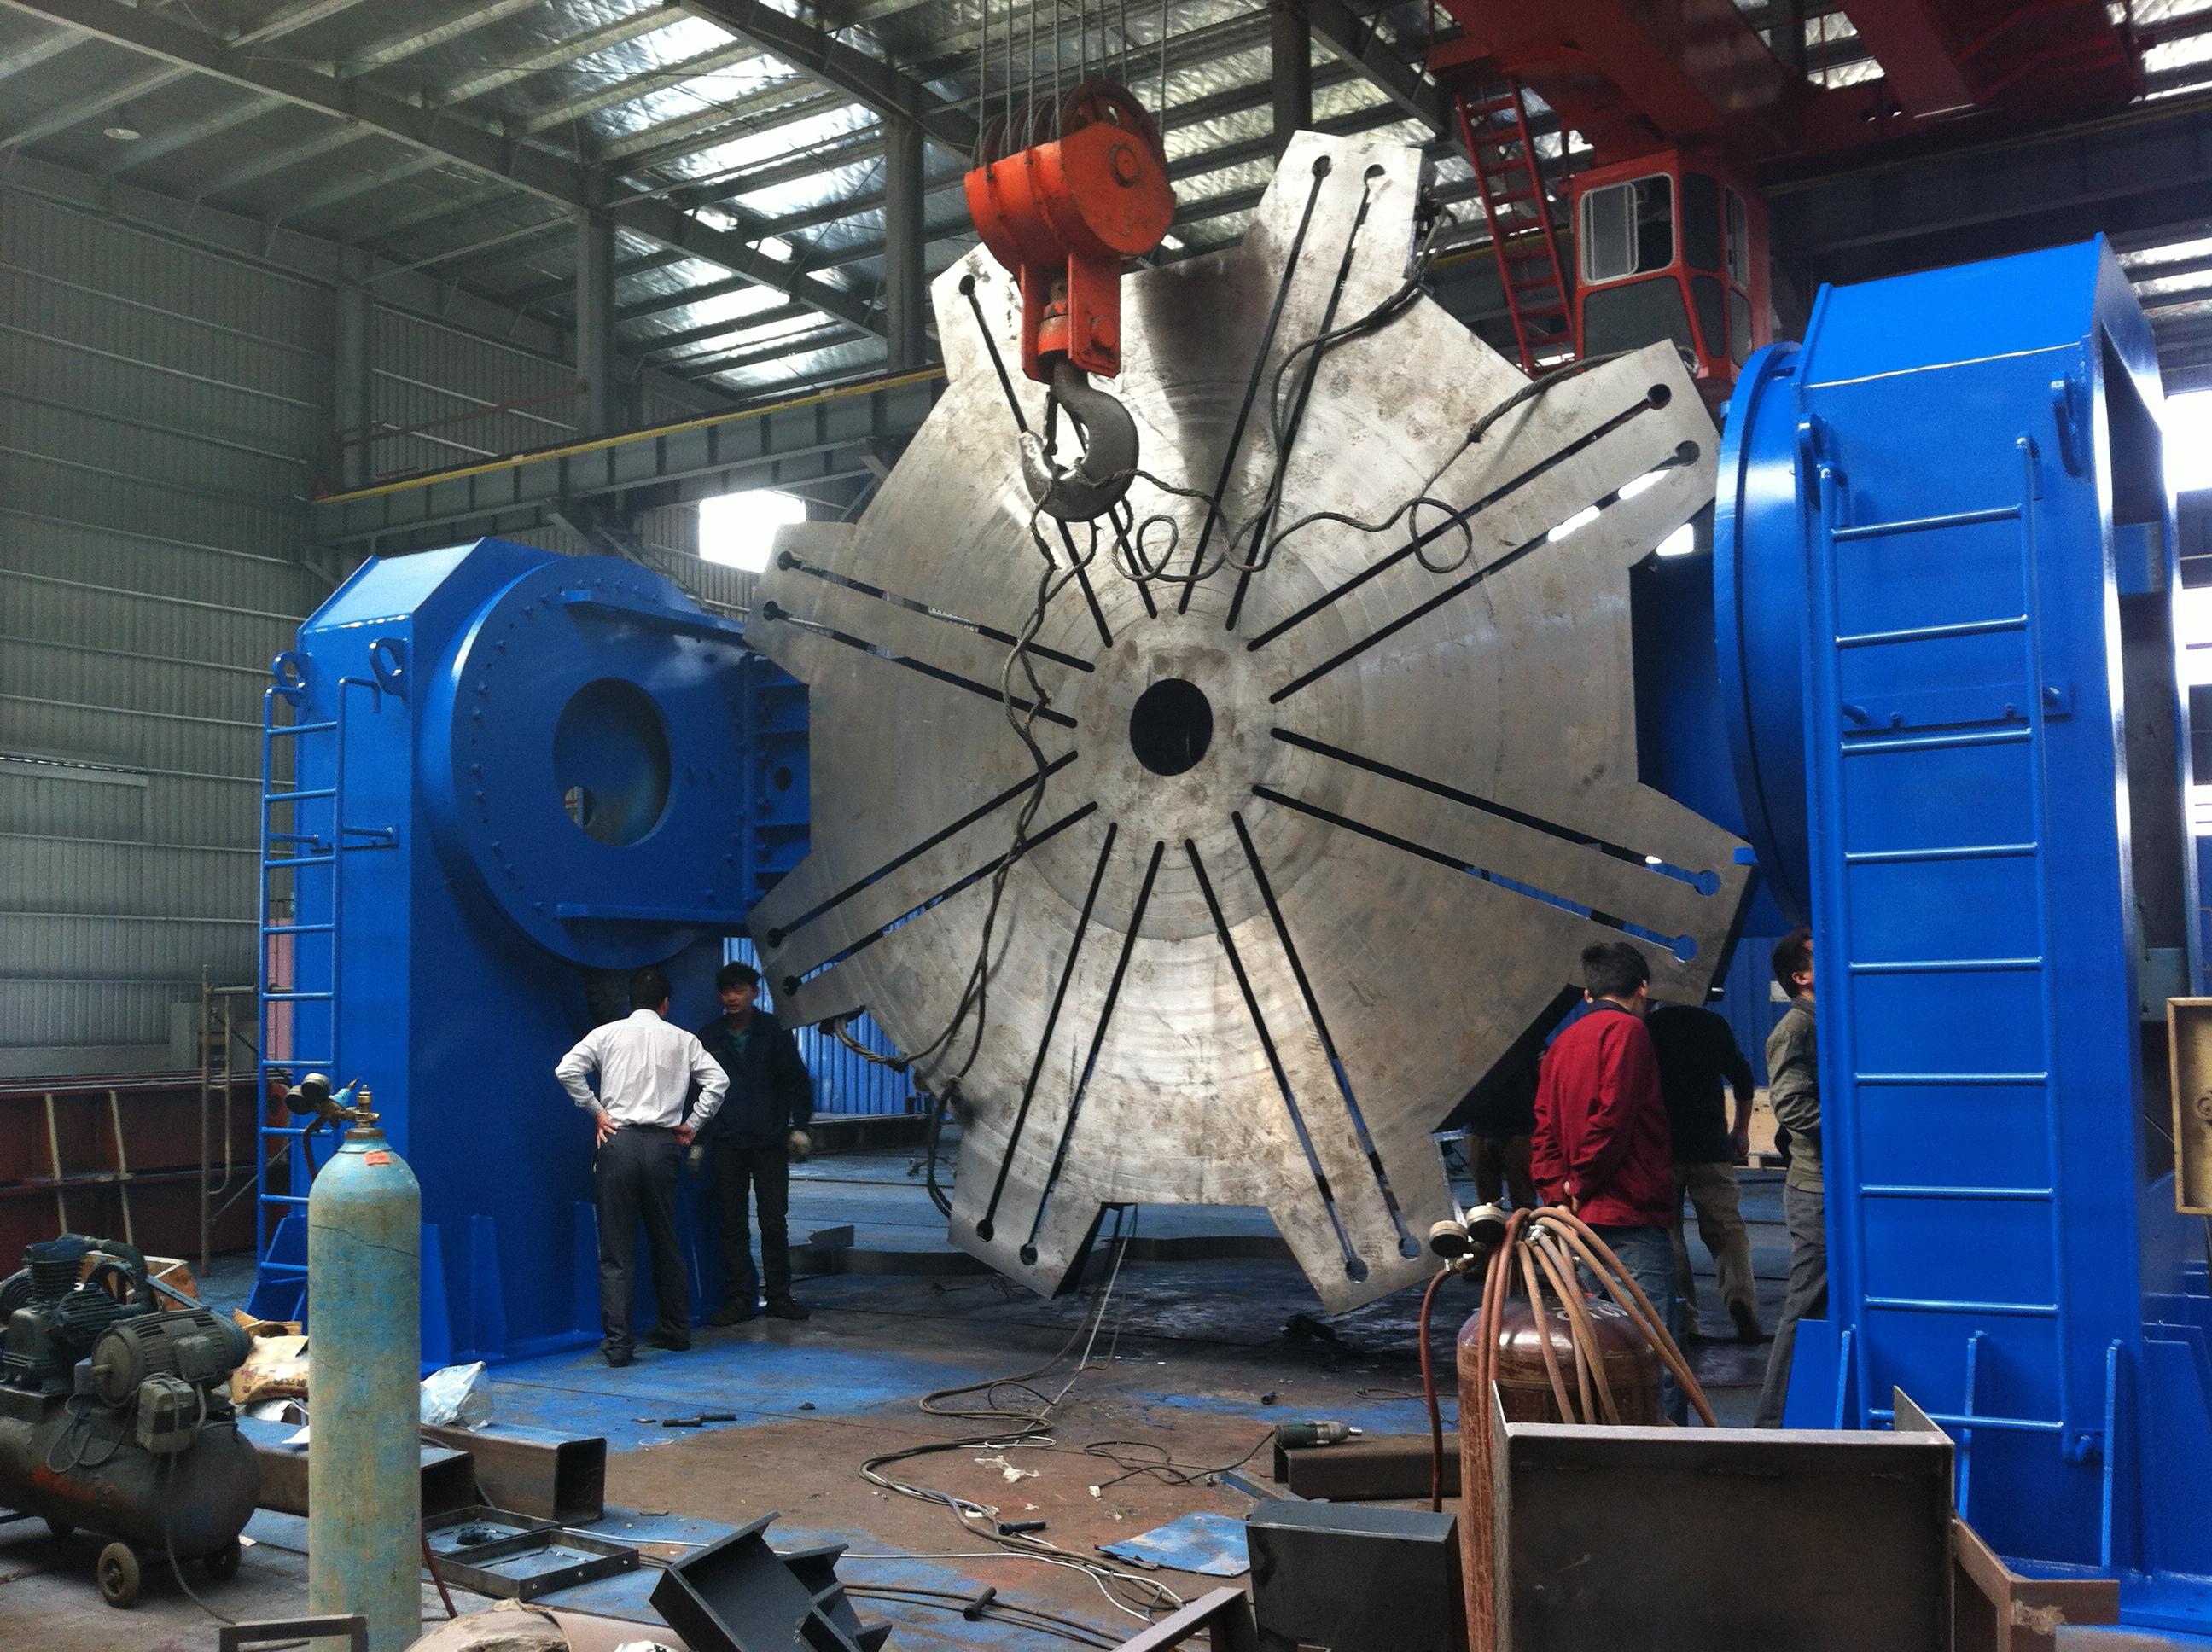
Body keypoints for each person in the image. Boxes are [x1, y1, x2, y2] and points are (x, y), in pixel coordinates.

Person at [1531, 939, 1685, 1422]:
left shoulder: (1562, 1044)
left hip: (1579, 1222)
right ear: (1643, 988)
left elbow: (1544, 1128)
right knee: (1653, 1344)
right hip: (1628, 1214)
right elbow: (1613, 1117)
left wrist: (1559, 1193)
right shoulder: (1629, 1032)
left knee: (1599, 1343)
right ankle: (1664, 1447)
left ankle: (1605, 1435)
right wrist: (1581, 1182)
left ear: (1587, 994)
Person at [555, 966, 728, 1368]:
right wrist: (693, 1123)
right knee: (666, 1241)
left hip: (618, 1143)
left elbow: (566, 1070)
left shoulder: (607, 1034)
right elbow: (718, 1082)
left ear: (630, 1002)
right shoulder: (683, 1039)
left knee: (617, 1252)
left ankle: (619, 1346)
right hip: (664, 1146)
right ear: (665, 1004)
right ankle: (676, 1331)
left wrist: (597, 1110)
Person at [696, 961, 816, 1325]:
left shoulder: (774, 1031)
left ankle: (779, 1296)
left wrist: (800, 1127)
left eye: (740, 990)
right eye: (726, 991)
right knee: (731, 1224)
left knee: (773, 1222)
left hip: (769, 1143)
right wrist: (699, 1138)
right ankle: (738, 1299)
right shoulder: (709, 1037)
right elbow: (697, 1091)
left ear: (754, 993)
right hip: (727, 1143)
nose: (732, 997)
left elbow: (797, 1081)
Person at [1645, 998, 1761, 1343]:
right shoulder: (1713, 1025)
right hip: (1711, 1145)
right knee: (1727, 1229)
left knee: (1669, 1234)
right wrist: (1740, 1130)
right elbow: (1743, 1080)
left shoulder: (1647, 1029)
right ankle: (1741, 1301)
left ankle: (1685, 1318)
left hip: (1662, 1148)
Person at [1755, 928, 1822, 1427]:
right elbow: (1793, 1108)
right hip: (1815, 1191)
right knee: (1806, 1304)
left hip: (1828, 1186)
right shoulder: (1795, 1029)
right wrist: (1862, 1125)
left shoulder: (1825, 1022)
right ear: (1800, 977)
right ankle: (1772, 1426)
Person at [1462, 1043, 1539, 1210]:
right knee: (1486, 1207)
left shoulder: (1528, 1040)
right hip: (1480, 1127)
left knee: (1524, 1201)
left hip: (1519, 1128)